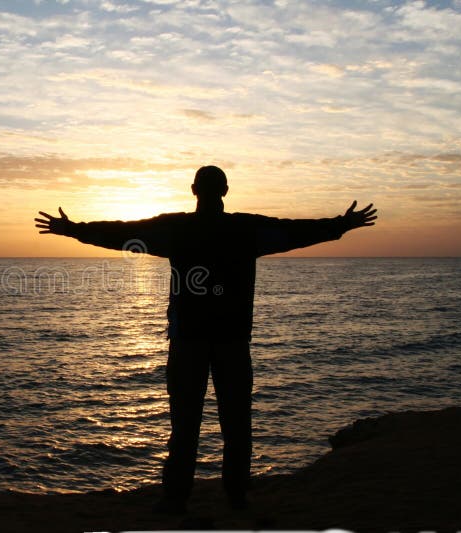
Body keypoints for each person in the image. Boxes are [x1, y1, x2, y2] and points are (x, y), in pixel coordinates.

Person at [34, 165, 377, 514]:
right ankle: (236, 496)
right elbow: (294, 231)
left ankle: (176, 498)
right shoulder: (245, 229)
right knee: (236, 422)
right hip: (231, 339)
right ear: (225, 191)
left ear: (194, 190)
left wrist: (74, 230)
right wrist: (340, 225)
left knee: (185, 423)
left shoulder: (178, 228)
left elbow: (124, 233)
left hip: (190, 340)